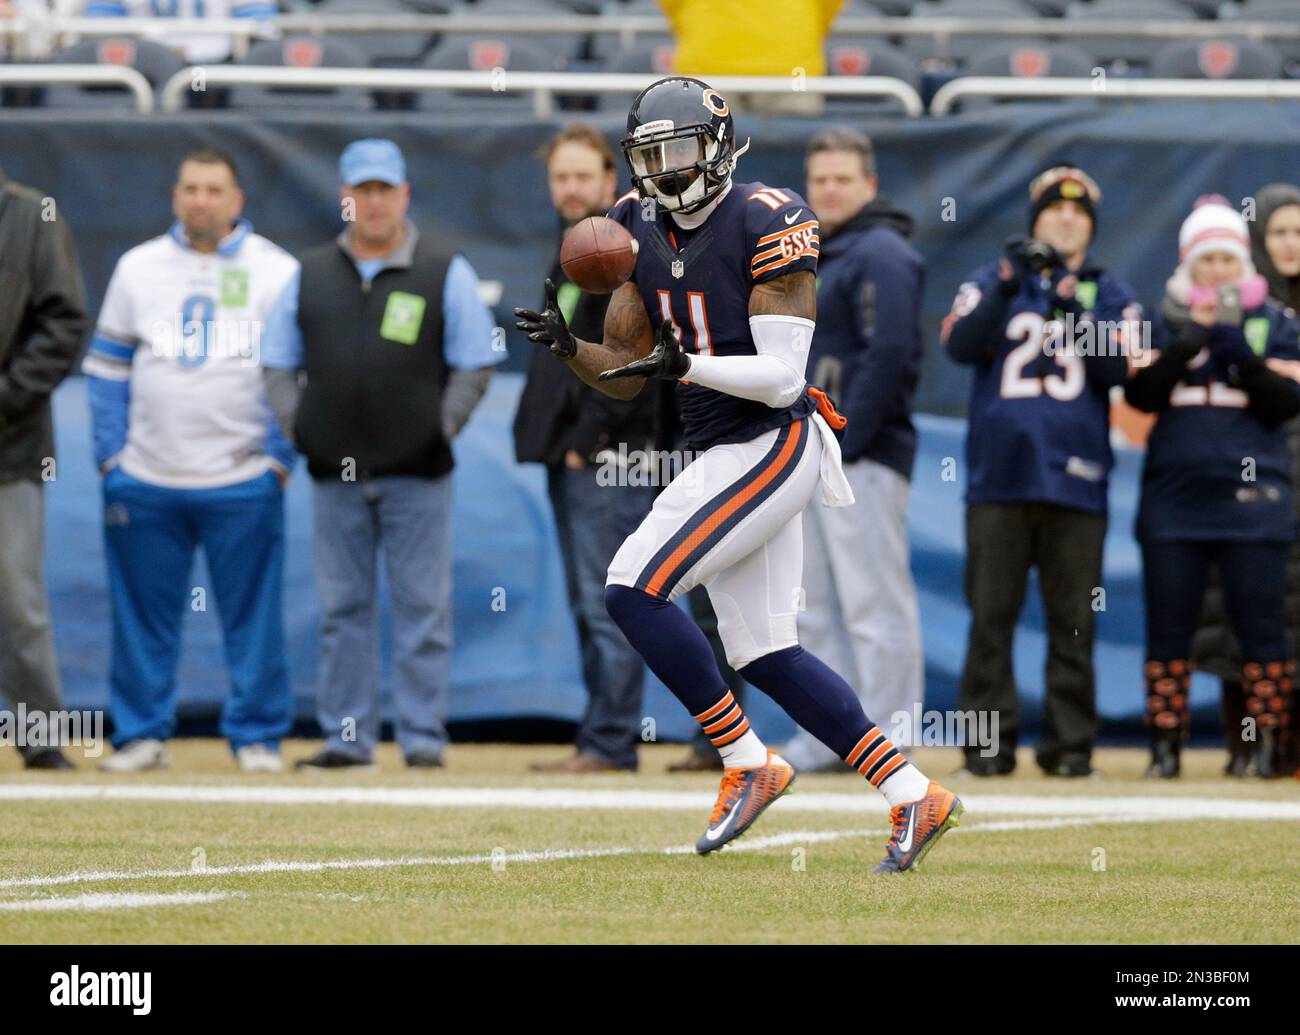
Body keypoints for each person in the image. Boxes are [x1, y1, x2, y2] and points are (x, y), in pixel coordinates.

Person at [516, 76, 962, 872]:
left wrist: (689, 361)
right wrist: (568, 348)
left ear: (719, 146)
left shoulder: (769, 217)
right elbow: (623, 374)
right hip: (719, 444)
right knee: (764, 651)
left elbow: (785, 376)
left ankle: (747, 759)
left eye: (679, 150)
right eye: (649, 155)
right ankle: (911, 791)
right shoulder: (629, 226)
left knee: (630, 584)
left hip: (775, 439)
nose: (664, 171)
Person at [261, 138, 502, 771]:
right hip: (333, 475)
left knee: (423, 609)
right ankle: (349, 740)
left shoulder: (444, 269)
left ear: (404, 195)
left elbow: (475, 364)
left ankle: (422, 741)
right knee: (342, 611)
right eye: (361, 190)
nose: (373, 202)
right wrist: (302, 431)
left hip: (418, 475)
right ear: (345, 198)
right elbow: (277, 364)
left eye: (383, 190)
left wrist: (437, 429)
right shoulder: (308, 275)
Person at [84, 148, 297, 773]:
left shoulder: (277, 270)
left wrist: (277, 461)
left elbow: (294, 373)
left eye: (213, 189)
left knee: (253, 618)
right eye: (190, 188)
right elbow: (104, 369)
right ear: (176, 196)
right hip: (146, 477)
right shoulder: (138, 267)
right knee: (140, 618)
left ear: (237, 201)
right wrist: (109, 460)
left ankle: (257, 737)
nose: (200, 199)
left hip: (242, 478)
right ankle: (141, 735)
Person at [942, 166, 1137, 778]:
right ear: (1035, 221)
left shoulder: (1111, 293)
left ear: (1092, 227)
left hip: (1077, 481)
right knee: (990, 618)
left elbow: (1118, 370)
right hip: (999, 478)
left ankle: (1070, 748)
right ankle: (986, 749)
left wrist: (1069, 304)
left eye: (1079, 213)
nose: (1067, 219)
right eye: (1054, 210)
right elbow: (959, 344)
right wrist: (1009, 284)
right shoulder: (993, 281)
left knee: (1074, 623)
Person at [1125, 196, 1300, 779]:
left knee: (1261, 626)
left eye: (1228, 258)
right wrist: (1188, 344)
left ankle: (1268, 746)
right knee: (1169, 626)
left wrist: (1239, 357)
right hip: (1176, 500)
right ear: (1188, 264)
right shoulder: (1160, 317)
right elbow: (1141, 396)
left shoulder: (1275, 321)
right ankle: (1164, 749)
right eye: (1208, 260)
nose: (1219, 271)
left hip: (1254, 500)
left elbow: (1285, 404)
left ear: (1244, 262)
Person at [778, 127, 925, 773]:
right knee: (813, 605)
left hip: (861, 455)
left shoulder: (884, 252)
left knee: (873, 601)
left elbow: (891, 354)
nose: (829, 190)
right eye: (819, 180)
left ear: (869, 184)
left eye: (842, 179)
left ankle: (893, 736)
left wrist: (845, 439)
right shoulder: (808, 254)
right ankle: (831, 735)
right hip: (805, 455)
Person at [513, 125, 657, 773]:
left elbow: (630, 358)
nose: (570, 189)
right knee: (588, 600)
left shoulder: (619, 252)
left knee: (612, 601)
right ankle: (598, 736)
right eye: (559, 177)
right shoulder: (575, 252)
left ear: (610, 181)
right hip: (569, 457)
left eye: (583, 177)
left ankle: (611, 741)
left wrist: (589, 440)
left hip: (607, 460)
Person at [0, 167, 86, 770]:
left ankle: (40, 737)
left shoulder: (33, 215)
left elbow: (63, 324)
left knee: (17, 600)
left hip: (10, 447)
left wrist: (5, 399)